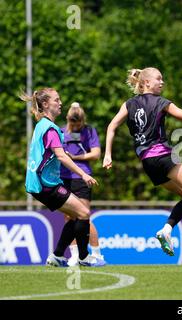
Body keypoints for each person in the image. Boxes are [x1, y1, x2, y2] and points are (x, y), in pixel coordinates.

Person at [102, 67, 182, 263]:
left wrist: (108, 154)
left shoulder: (129, 104)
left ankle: (166, 230)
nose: (162, 82)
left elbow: (111, 126)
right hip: (162, 156)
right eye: (158, 79)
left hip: (148, 163)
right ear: (146, 83)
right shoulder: (160, 102)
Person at [22, 88, 105, 267]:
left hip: (39, 184)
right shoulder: (51, 128)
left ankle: (58, 256)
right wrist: (83, 174)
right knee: (83, 213)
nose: (60, 103)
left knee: (75, 216)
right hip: (46, 184)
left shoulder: (41, 125)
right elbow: (61, 156)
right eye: (56, 100)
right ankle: (84, 257)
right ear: (45, 104)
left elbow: (50, 153)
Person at [60, 102, 106, 266]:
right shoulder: (60, 132)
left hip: (82, 177)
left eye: (79, 123)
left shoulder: (89, 131)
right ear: (67, 119)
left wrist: (75, 158)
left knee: (84, 215)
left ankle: (96, 254)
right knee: (68, 217)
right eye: (73, 123)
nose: (76, 126)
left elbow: (96, 154)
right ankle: (74, 255)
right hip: (64, 178)